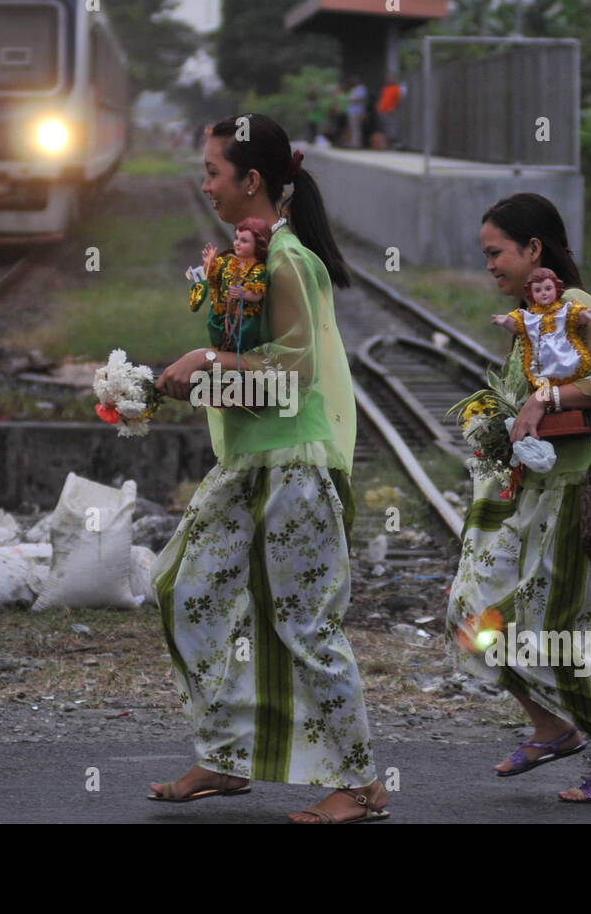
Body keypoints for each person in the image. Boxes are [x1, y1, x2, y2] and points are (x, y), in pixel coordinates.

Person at [150, 114, 389, 823]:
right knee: (184, 588)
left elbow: (293, 372)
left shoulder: (290, 262)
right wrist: (190, 385)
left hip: (294, 465)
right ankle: (225, 755)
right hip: (250, 462)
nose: (206, 185)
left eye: (213, 173)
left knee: (305, 622)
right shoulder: (244, 261)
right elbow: (254, 375)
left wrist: (208, 364)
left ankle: (361, 781)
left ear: (252, 181)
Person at [448, 192, 591, 804]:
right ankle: (550, 726)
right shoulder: (525, 321)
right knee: (470, 611)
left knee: (555, 631)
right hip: (536, 490)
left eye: (496, 252)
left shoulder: (575, 305)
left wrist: (547, 400)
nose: (489, 264)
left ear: (534, 249)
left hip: (587, 488)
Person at [188, 217, 270, 355]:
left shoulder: (259, 269)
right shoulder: (228, 262)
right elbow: (214, 278)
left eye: (244, 241)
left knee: (242, 343)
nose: (237, 243)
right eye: (236, 238)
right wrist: (210, 264)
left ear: (259, 244)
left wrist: (243, 295)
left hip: (244, 321)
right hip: (222, 316)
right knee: (218, 342)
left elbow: (259, 293)